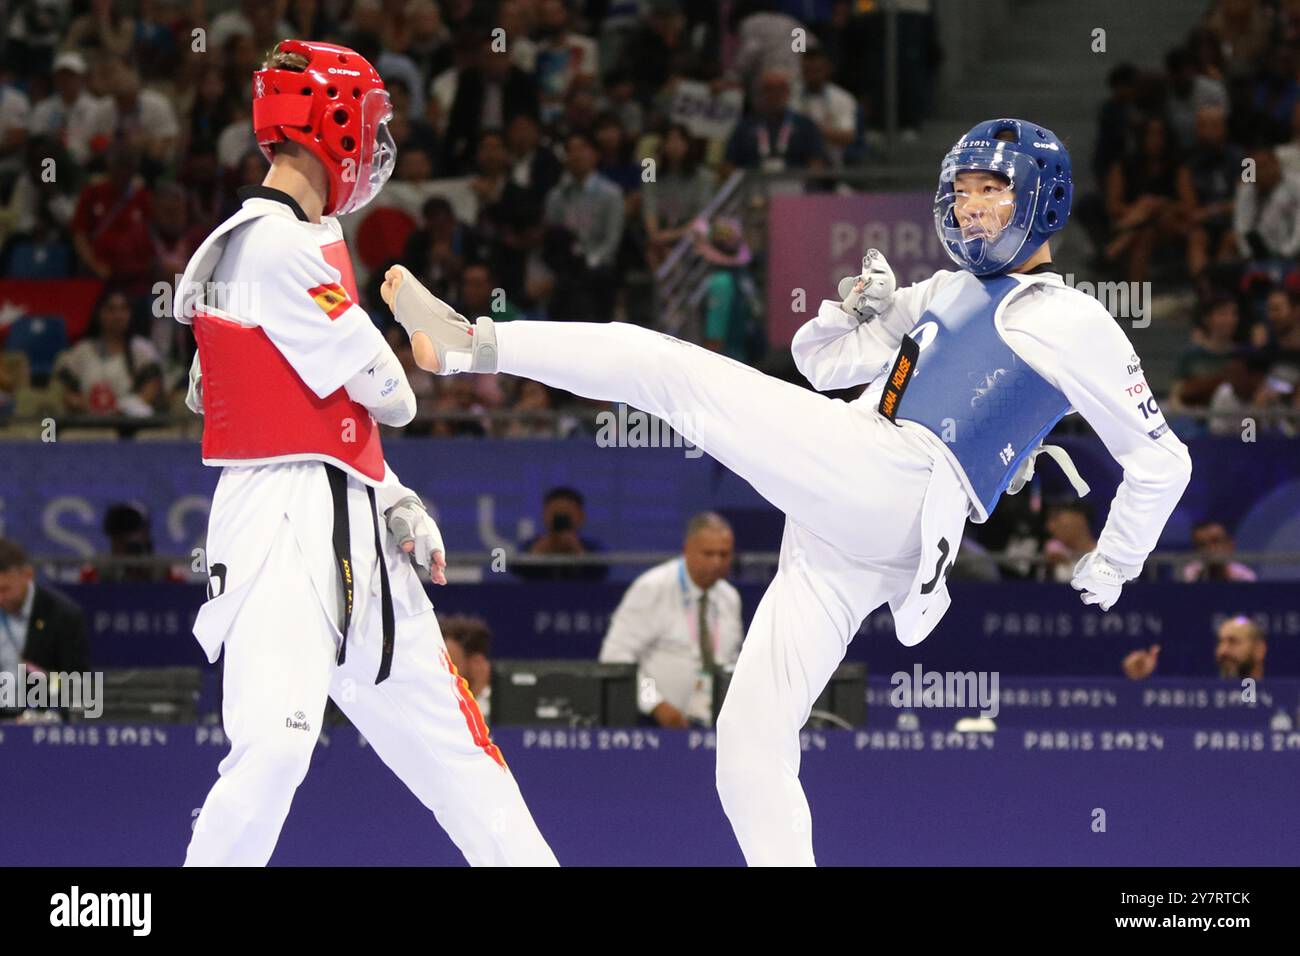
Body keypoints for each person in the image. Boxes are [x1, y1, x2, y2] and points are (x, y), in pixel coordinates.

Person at [385, 118, 1193, 866]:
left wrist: (1112, 563)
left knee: (666, 370)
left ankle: (470, 343)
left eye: (994, 189)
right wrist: (858, 312)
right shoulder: (944, 291)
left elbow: (1163, 461)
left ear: (1041, 199)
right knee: (748, 740)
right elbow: (824, 366)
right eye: (964, 190)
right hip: (850, 518)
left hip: (897, 481)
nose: (973, 207)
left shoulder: (1072, 317)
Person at [175, 40, 554, 867]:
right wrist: (387, 367)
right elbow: (396, 392)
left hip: (354, 519)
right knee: (273, 754)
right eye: (370, 120)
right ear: (332, 123)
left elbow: (325, 413)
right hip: (281, 527)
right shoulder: (274, 244)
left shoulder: (297, 239)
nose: (376, 142)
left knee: (464, 758)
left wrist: (391, 496)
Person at [599, 513, 743, 728]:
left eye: (724, 554)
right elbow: (615, 657)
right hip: (654, 725)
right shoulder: (652, 588)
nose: (716, 562)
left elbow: (732, 662)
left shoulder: (729, 597)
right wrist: (655, 704)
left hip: (713, 727)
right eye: (708, 554)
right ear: (687, 550)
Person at [0, 537, 90, 718]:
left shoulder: (63, 616)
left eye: (4, 589)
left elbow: (79, 688)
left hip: (42, 721)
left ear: (27, 575)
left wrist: (46, 681)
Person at [1123, 615, 1265, 680]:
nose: (1223, 650)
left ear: (1259, 649)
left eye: (1233, 642)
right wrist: (1142, 680)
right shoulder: (1205, 699)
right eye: (1220, 642)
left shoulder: (1281, 694)